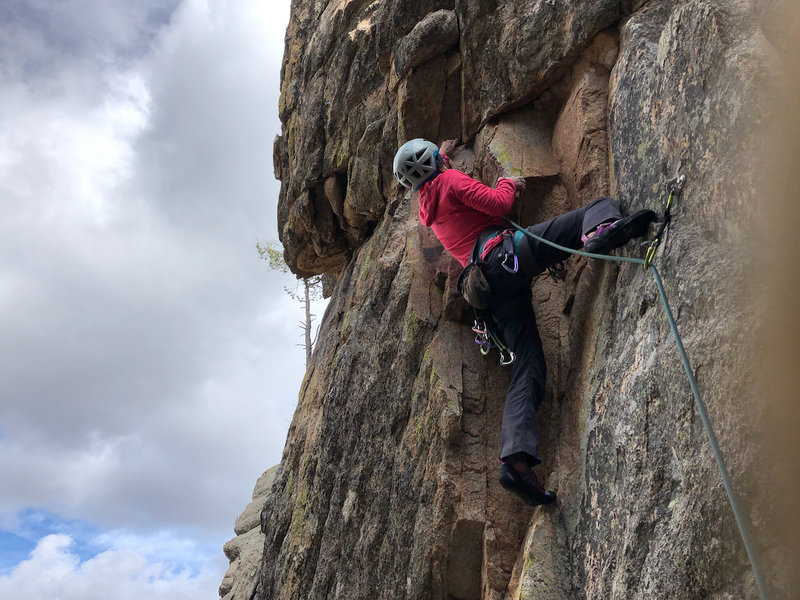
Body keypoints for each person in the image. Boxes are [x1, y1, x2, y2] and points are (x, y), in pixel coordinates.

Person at [393, 137, 656, 506]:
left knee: (529, 368)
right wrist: (508, 183)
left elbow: (449, 188)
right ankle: (600, 231)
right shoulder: (450, 182)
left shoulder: (429, 209)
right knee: (591, 210)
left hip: (489, 289)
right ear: (435, 161)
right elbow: (501, 202)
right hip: (507, 256)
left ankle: (515, 461)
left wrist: (444, 156)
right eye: (439, 157)